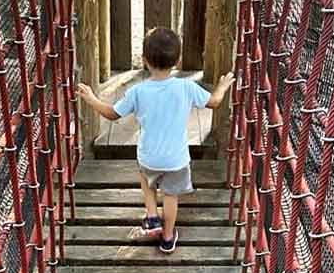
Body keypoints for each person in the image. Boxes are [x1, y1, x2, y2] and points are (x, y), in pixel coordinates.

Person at [77, 27, 235, 253]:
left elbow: (112, 114)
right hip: (177, 160)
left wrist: (92, 99)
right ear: (178, 60)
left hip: (149, 156)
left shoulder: (138, 91)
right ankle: (168, 237)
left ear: (144, 60)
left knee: (146, 177)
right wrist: (221, 86)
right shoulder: (187, 87)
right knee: (171, 196)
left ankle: (152, 216)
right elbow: (215, 102)